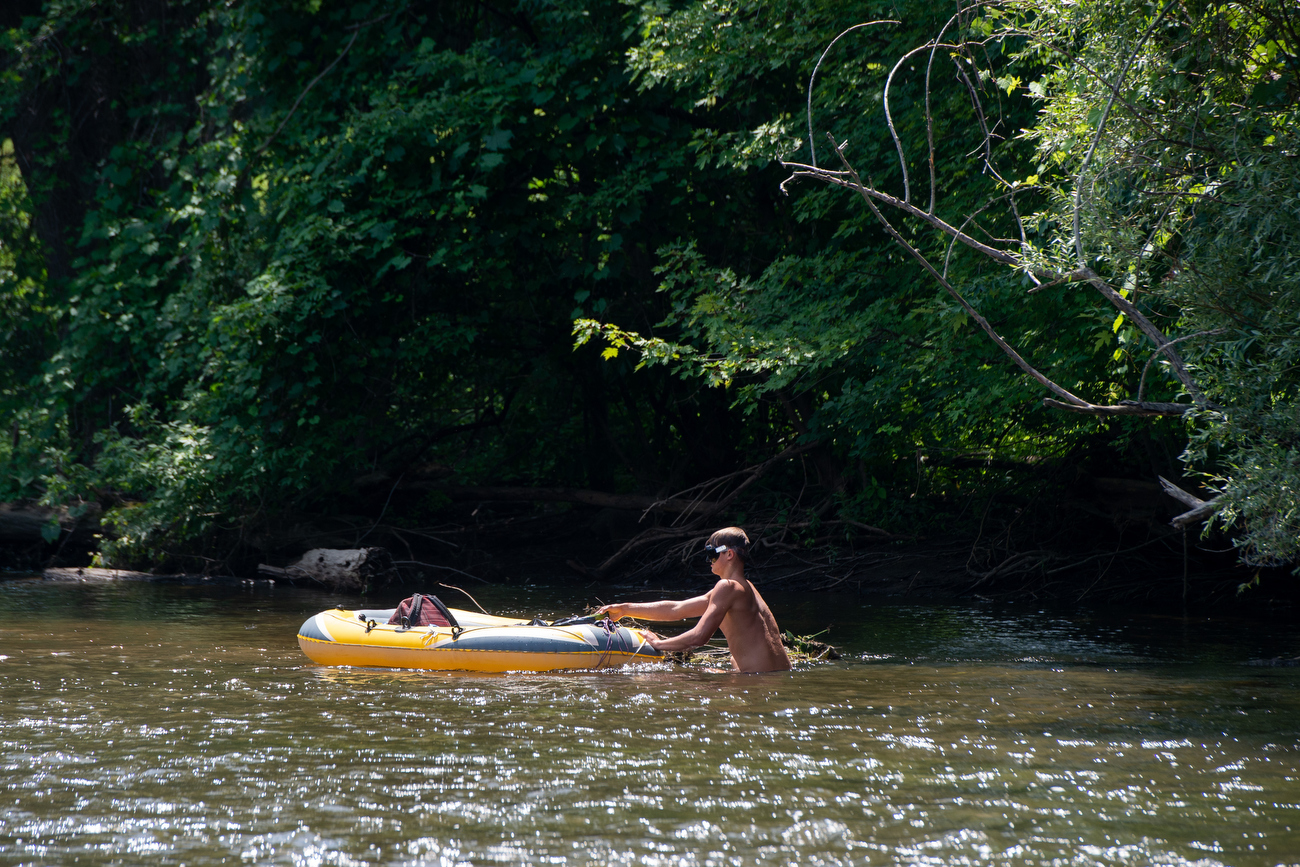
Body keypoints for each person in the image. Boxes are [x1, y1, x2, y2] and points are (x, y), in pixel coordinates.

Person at [595, 527, 792, 672]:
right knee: (725, 665)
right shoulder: (746, 588)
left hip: (758, 683)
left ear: (729, 554)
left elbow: (700, 637)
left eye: (711, 554)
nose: (708, 561)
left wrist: (659, 644)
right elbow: (677, 609)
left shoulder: (727, 587)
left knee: (666, 682)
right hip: (780, 678)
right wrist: (625, 609)